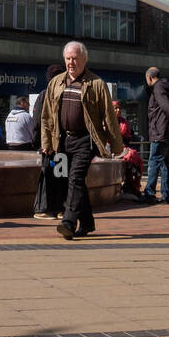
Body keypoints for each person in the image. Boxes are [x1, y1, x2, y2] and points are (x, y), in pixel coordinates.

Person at [40, 41, 123, 241]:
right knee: (68, 179)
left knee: (76, 178)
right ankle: (87, 222)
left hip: (86, 140)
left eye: (75, 58)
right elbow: (47, 116)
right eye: (68, 58)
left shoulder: (97, 84)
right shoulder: (56, 83)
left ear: (84, 59)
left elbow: (109, 116)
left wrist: (116, 145)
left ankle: (68, 222)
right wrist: (47, 143)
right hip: (62, 141)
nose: (71, 62)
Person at [32, 64, 67, 220]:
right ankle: (61, 209)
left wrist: (37, 143)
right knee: (61, 175)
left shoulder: (44, 94)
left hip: (49, 146)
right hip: (63, 145)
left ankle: (45, 209)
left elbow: (38, 121)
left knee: (48, 176)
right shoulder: (67, 94)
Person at [142, 66, 169, 204]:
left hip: (159, 132)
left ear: (149, 77)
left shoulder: (158, 88)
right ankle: (167, 195)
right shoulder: (166, 86)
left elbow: (166, 106)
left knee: (154, 163)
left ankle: (149, 193)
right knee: (166, 164)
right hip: (165, 132)